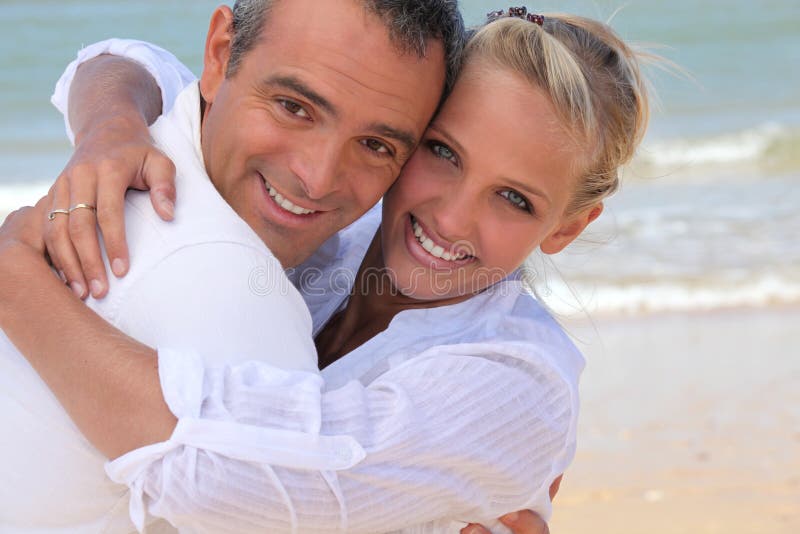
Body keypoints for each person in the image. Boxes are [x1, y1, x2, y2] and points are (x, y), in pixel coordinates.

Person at [0, 6, 651, 534]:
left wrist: (18, 284)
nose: (451, 218)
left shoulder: (516, 384)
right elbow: (133, 60)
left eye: (515, 199)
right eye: (442, 152)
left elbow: (224, 477)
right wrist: (111, 128)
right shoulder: (345, 219)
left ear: (567, 226)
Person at [0, 0, 459, 532]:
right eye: (295, 108)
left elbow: (119, 60)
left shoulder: (166, 135)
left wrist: (110, 118)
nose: (318, 177)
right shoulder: (234, 297)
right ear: (220, 54)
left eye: (376, 145)